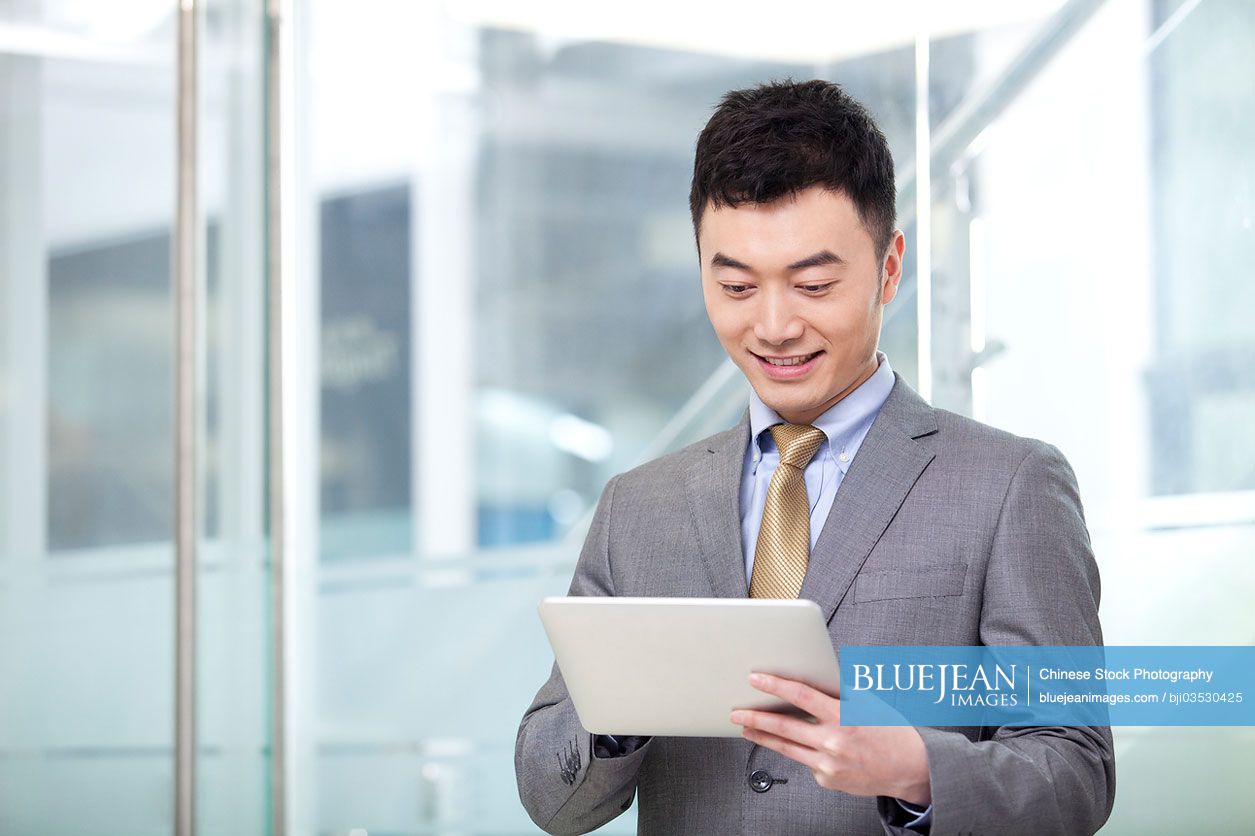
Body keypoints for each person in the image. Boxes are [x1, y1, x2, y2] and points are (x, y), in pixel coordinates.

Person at [515, 79, 1115, 836]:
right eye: (734, 284)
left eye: (814, 284)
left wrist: (915, 770)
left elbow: (1075, 772)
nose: (772, 326)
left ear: (889, 269)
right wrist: (618, 707)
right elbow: (549, 798)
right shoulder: (639, 509)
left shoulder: (1008, 487)